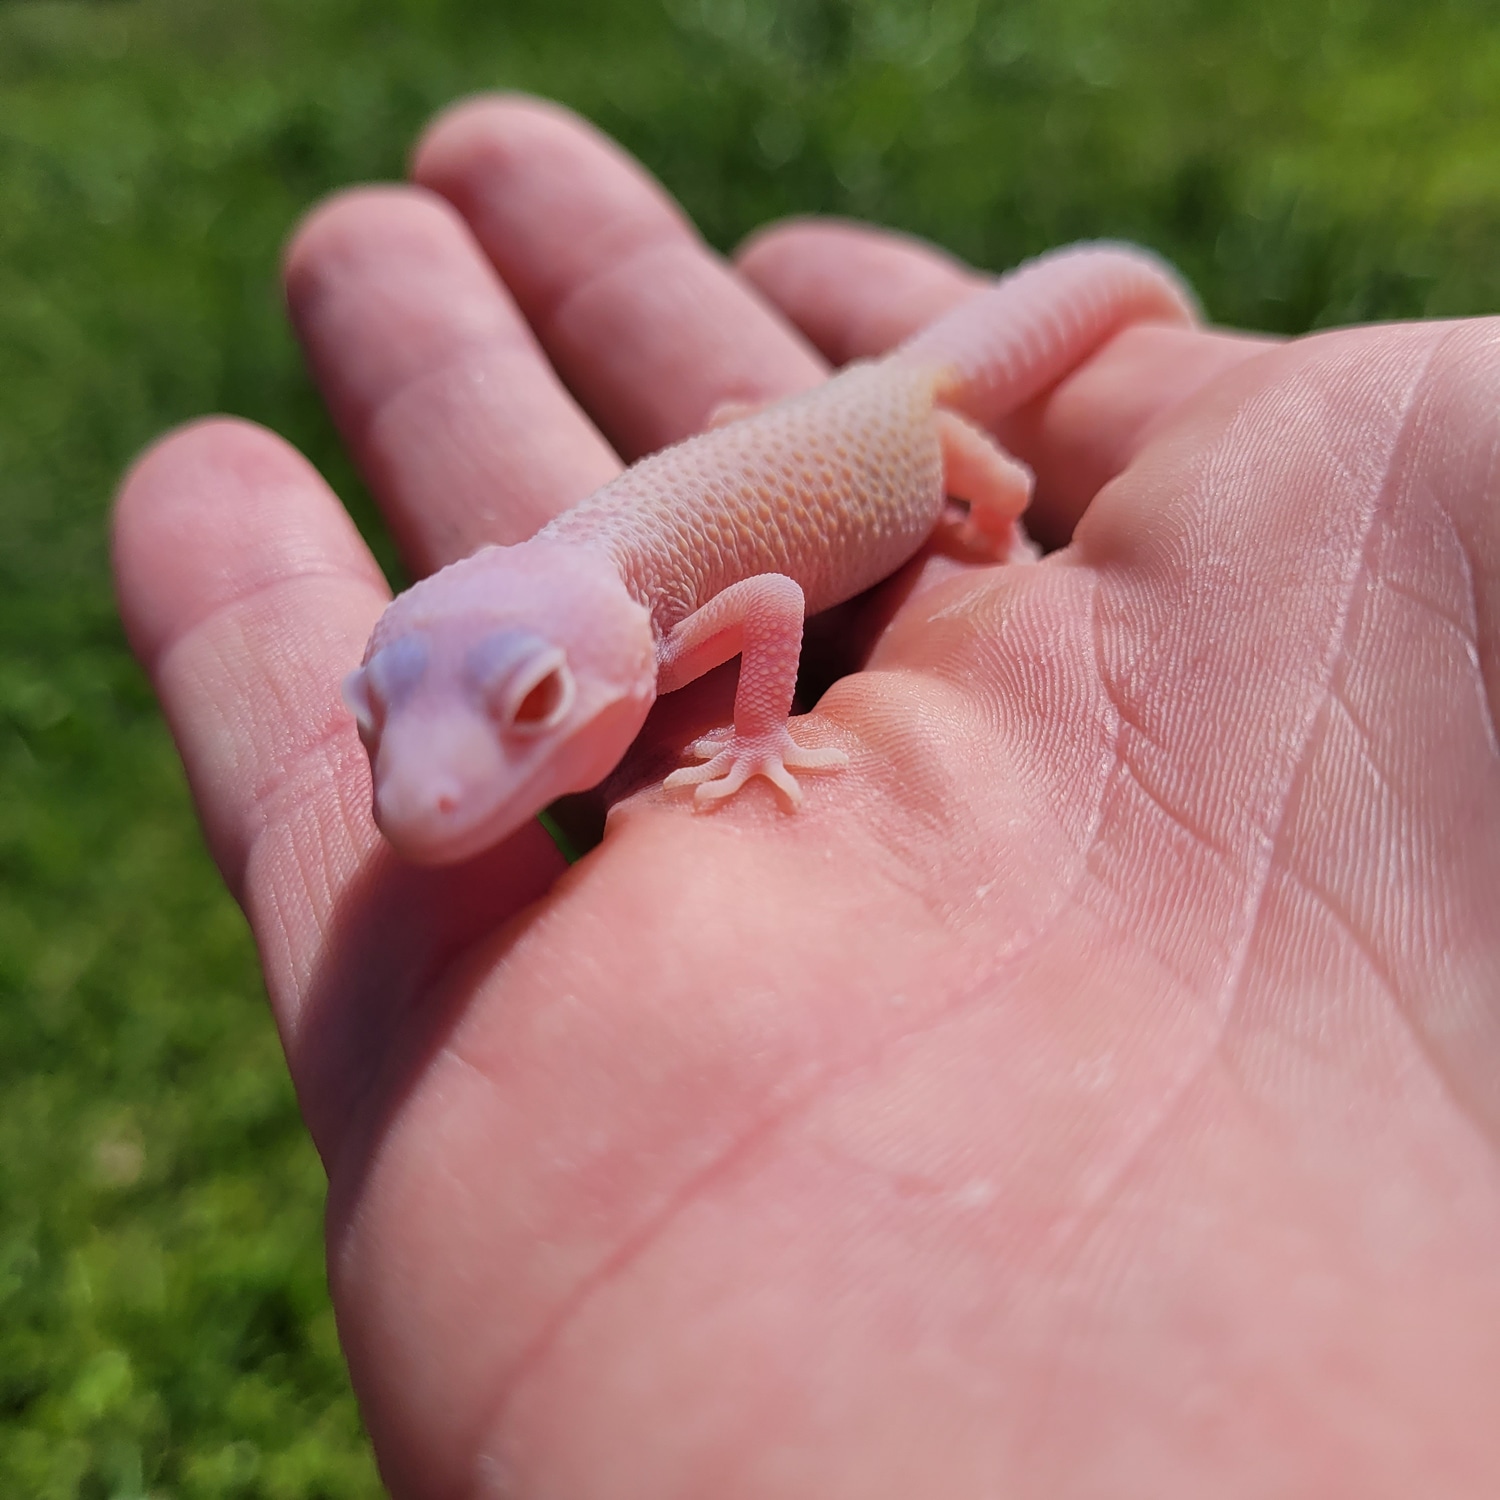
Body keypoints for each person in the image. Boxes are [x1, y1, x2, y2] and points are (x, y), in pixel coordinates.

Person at [111, 94, 1500, 1497]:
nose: (417, 792)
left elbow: (773, 595)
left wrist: (790, 708)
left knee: (977, 465)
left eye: (531, 704)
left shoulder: (645, 612)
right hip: (821, 425)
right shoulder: (592, 599)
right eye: (374, 715)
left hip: (905, 419)